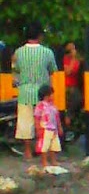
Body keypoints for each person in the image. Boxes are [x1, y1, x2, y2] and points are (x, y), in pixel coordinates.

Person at [12, 24, 58, 165]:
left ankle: (27, 151)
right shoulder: (47, 52)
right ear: (40, 36)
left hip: (25, 92)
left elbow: (16, 70)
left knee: (25, 122)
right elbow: (53, 70)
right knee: (45, 122)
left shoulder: (19, 52)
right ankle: (44, 149)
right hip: (42, 93)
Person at [31, 82, 67, 176]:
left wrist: (59, 127)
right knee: (45, 146)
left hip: (53, 129)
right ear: (47, 96)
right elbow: (37, 117)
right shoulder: (40, 106)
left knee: (53, 145)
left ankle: (53, 160)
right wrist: (38, 128)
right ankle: (44, 162)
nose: (53, 96)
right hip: (45, 128)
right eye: (52, 94)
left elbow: (57, 118)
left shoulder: (53, 106)